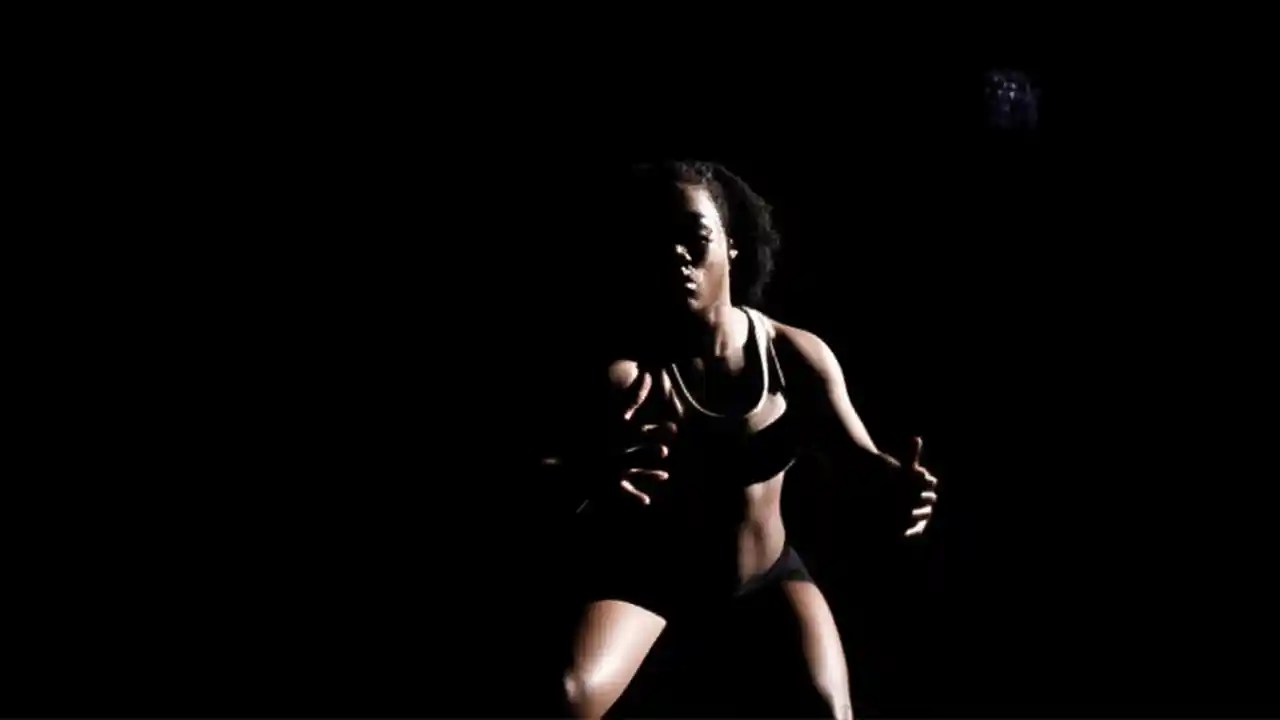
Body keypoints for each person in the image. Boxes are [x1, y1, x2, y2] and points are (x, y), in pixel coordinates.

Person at [547, 160, 939, 719]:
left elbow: (861, 460)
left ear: (731, 244)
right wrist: (584, 474)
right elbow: (550, 471)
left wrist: (899, 486)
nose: (678, 253)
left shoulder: (791, 355)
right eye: (662, 240)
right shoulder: (631, 376)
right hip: (656, 581)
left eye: (695, 236)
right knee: (568, 697)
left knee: (833, 710)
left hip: (766, 575)